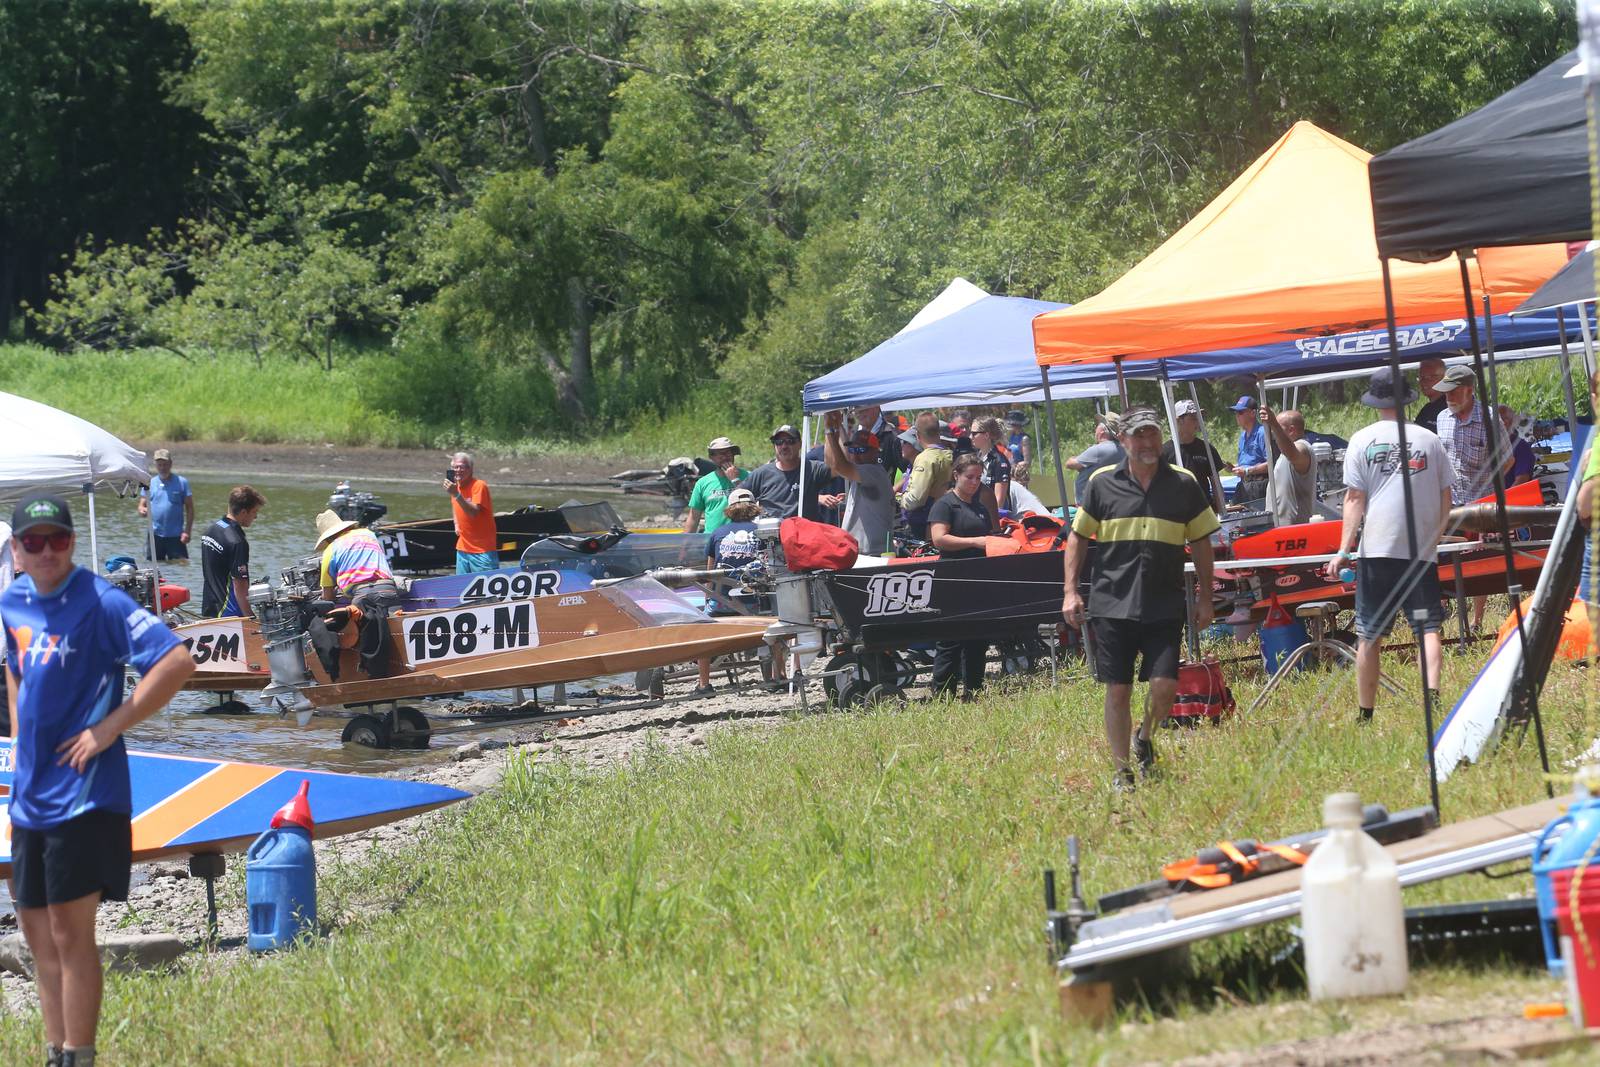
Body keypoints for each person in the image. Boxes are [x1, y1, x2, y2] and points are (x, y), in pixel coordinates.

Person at [1, 493, 196, 1067]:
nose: (45, 551)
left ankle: (79, 1055)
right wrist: (20, 749)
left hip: (88, 794)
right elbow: (16, 674)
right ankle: (54, 1051)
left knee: (69, 931)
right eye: (31, 542)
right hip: (32, 794)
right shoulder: (11, 600)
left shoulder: (100, 601)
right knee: (35, 936)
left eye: (56, 540)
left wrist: (110, 728)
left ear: (72, 543)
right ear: (15, 548)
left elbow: (177, 661)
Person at [1061, 407, 1218, 791]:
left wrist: (1206, 597)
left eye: (1152, 434)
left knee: (1165, 686)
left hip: (1164, 601)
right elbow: (1078, 537)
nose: (1147, 443)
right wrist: (1069, 591)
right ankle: (1122, 771)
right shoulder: (1100, 483)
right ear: (1124, 440)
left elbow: (1201, 542)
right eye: (1139, 436)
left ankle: (1145, 736)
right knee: (1119, 689)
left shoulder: (1183, 484)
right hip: (1111, 601)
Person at [1321, 367, 1454, 722]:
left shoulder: (1361, 440)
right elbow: (1446, 498)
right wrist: (1435, 538)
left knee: (1369, 634)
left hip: (1377, 549)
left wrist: (1344, 548)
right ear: (1408, 398)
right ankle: (1433, 699)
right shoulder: (1429, 439)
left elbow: (1353, 500)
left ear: (1374, 402)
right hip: (1420, 553)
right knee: (1427, 629)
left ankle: (1366, 713)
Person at [928, 453, 994, 699]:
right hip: (953, 578)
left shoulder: (978, 506)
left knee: (978, 639)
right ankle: (943, 692)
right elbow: (939, 538)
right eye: (970, 477)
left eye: (979, 477)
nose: (975, 482)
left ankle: (974, 689)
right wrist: (975, 542)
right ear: (956, 475)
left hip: (978, 578)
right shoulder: (945, 505)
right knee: (951, 639)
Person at [315, 510, 407, 678]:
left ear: (328, 537)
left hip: (361, 596)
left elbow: (327, 598)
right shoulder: (368, 534)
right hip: (387, 588)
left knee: (365, 638)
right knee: (398, 634)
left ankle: (370, 677)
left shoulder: (329, 551)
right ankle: (405, 673)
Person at [693, 488, 765, 696]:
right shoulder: (763, 532)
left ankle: (704, 684)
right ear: (754, 508)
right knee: (775, 628)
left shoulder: (717, 533)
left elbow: (711, 573)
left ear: (729, 509)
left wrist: (708, 597)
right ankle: (776, 676)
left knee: (702, 633)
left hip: (720, 606)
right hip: (754, 607)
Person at [823, 411, 895, 554]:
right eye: (853, 449)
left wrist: (830, 430)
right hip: (864, 552)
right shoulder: (863, 470)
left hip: (874, 554)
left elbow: (839, 465)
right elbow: (831, 462)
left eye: (861, 449)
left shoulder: (873, 471)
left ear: (875, 452)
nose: (856, 454)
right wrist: (835, 427)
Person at [743, 425, 837, 522]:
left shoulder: (813, 469)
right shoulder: (761, 474)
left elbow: (836, 468)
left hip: (804, 532)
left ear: (800, 444)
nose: (784, 446)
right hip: (773, 534)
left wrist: (829, 430)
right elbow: (738, 497)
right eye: (779, 442)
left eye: (790, 441)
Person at [199, 485, 265, 618]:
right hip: (229, 614)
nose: (256, 517)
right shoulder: (237, 541)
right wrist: (250, 616)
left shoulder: (211, 530)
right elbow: (240, 584)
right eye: (254, 512)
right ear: (243, 512)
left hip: (209, 608)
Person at [898, 413, 953, 540]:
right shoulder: (950, 455)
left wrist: (900, 499)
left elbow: (916, 499)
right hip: (944, 519)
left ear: (917, 435)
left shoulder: (925, 458)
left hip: (923, 523)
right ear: (938, 433)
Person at [1160, 399, 1227, 504]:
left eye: (1199, 418)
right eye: (1193, 418)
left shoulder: (1207, 449)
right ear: (1178, 420)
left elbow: (1216, 485)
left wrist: (1221, 514)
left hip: (1204, 512)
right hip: (1176, 514)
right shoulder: (1164, 452)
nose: (1198, 422)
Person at [1261, 407, 1317, 526]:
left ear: (1291, 430)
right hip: (1280, 526)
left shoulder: (1303, 448)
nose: (1273, 433)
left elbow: (1292, 453)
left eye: (1277, 428)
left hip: (1295, 528)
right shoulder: (1285, 452)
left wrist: (1274, 423)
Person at [136, 448, 193, 562]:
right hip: (155, 535)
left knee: (181, 565)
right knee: (155, 568)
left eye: (165, 464)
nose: (162, 467)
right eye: (159, 464)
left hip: (176, 536)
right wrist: (142, 510)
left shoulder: (182, 482)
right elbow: (141, 505)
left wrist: (187, 531)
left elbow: (190, 508)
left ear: (170, 464)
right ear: (156, 465)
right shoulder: (150, 482)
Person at [446, 452, 498, 574]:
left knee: (486, 590)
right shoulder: (455, 487)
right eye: (455, 467)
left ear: (470, 469)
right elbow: (455, 505)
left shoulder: (479, 486)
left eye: (461, 467)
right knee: (461, 589)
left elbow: (473, 512)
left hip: (482, 550)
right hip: (462, 549)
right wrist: (456, 523)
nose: (458, 470)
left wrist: (456, 494)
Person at [684, 436, 749, 535]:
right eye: (720, 454)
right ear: (712, 457)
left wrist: (735, 480)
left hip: (742, 538)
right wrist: (684, 547)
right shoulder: (703, 483)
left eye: (728, 452)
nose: (725, 457)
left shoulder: (748, 476)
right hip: (712, 540)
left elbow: (753, 505)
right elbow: (693, 518)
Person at [1065, 413, 1124, 503]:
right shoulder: (1123, 450)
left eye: (1097, 426)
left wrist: (1074, 458)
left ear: (1102, 431)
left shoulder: (1097, 450)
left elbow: (1069, 464)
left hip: (1090, 504)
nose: (1095, 429)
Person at [970, 417, 1012, 519]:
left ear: (986, 435)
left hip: (993, 519)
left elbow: (999, 500)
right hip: (977, 513)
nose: (970, 436)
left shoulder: (999, 461)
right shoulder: (976, 456)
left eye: (974, 433)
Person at [1230, 395, 1269, 501]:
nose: (1237, 416)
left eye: (1241, 412)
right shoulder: (1242, 436)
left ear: (1253, 413)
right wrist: (1234, 467)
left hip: (1259, 486)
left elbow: (1272, 463)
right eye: (1236, 413)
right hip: (1244, 486)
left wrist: (1247, 471)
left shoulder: (1262, 433)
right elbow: (1246, 463)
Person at [1500, 405, 1538, 486]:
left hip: (1507, 497)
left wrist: (1502, 498)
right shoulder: (1489, 445)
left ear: (1505, 423)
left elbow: (1521, 481)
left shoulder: (1520, 447)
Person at [1415, 358, 1449, 435]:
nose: (1424, 382)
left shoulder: (1450, 408)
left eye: (1431, 377)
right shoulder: (1427, 408)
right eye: (1421, 377)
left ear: (1444, 378)